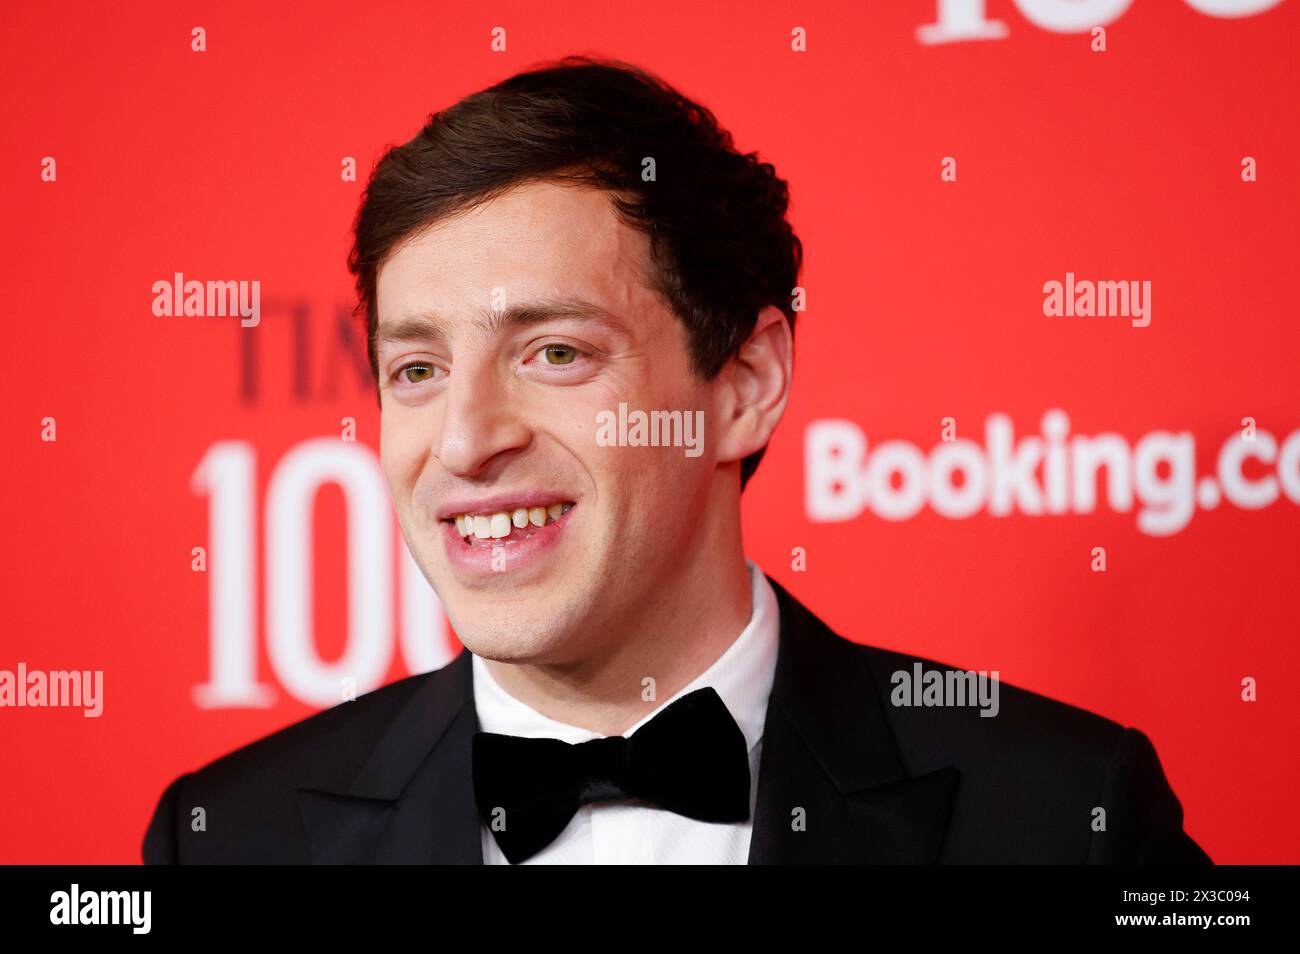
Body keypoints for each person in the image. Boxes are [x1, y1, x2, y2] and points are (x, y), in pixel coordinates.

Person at [143, 56, 1210, 865]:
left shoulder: (1064, 814)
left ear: (742, 384)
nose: (465, 441)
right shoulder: (228, 840)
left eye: (553, 352)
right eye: (415, 371)